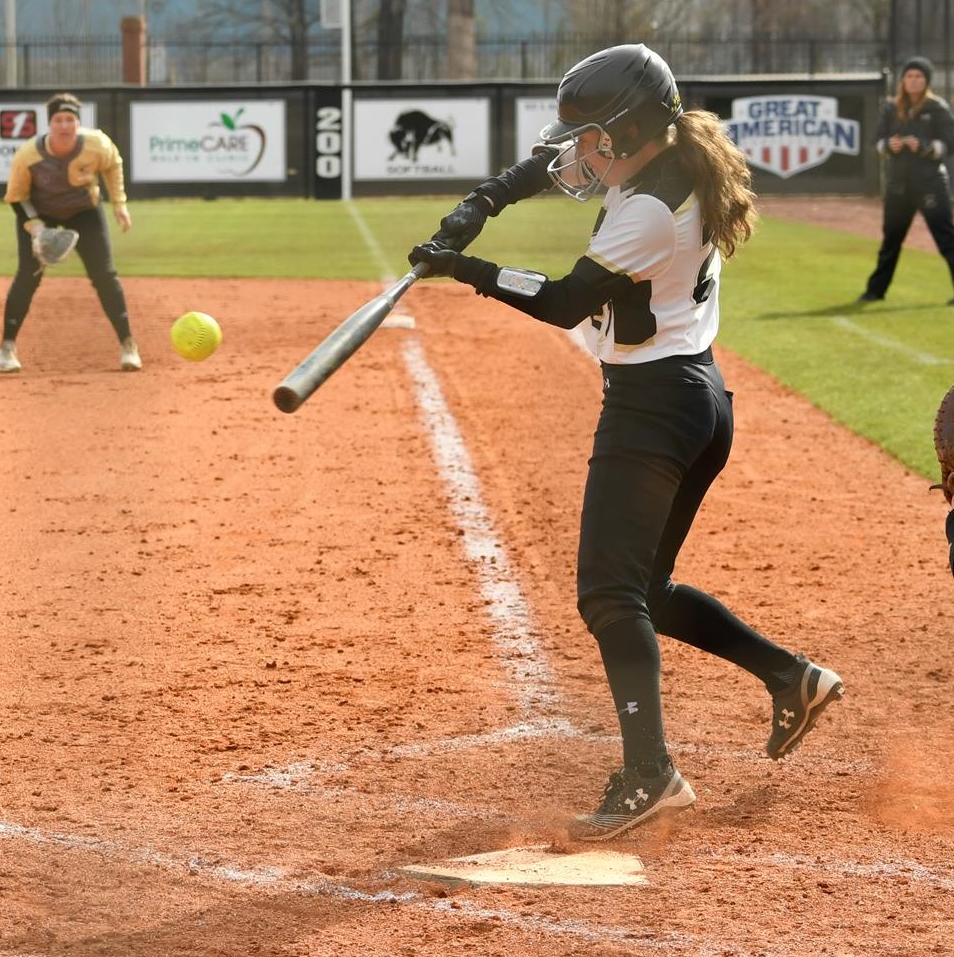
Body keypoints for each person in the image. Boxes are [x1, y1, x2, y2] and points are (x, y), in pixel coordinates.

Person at [408, 43, 845, 841]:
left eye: (592, 137)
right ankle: (791, 678)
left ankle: (651, 775)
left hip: (652, 409)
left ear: (633, 129)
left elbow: (565, 303)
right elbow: (552, 168)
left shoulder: (649, 208)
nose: (578, 152)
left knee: (608, 597)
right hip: (698, 396)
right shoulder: (667, 160)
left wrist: (462, 266)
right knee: (647, 592)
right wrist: (484, 200)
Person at [0, 93, 138, 373]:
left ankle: (128, 344)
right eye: (58, 120)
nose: (64, 126)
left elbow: (113, 164)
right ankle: (6, 348)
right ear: (49, 124)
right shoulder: (28, 154)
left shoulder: (96, 144)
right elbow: (16, 196)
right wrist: (36, 229)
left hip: (83, 212)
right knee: (28, 276)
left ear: (77, 123)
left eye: (70, 119)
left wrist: (119, 203)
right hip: (40, 213)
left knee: (105, 275)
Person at [859, 57, 954, 304]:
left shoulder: (937, 108)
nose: (913, 81)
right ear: (903, 80)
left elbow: (949, 144)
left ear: (927, 81)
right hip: (898, 185)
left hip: (930, 183)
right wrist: (889, 145)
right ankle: (875, 291)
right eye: (909, 76)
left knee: (945, 238)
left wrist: (924, 147)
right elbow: (876, 144)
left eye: (919, 77)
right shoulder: (891, 108)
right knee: (891, 240)